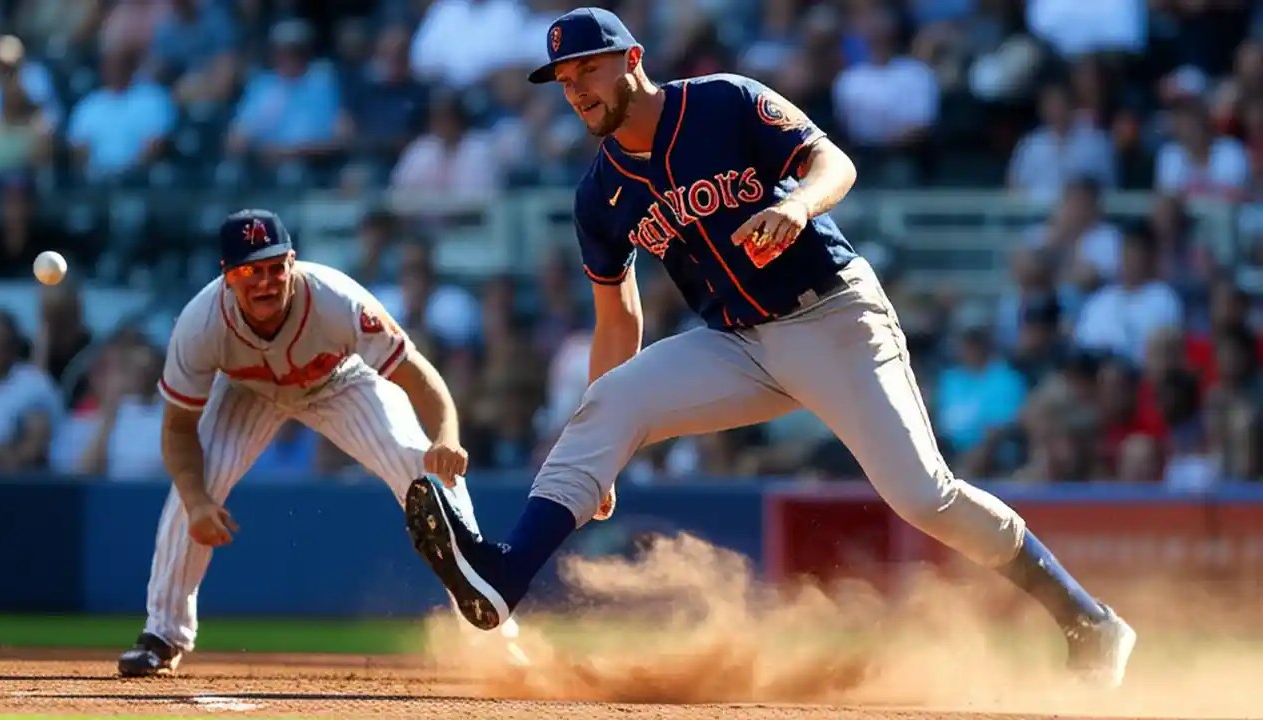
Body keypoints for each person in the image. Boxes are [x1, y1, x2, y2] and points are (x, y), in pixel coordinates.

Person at [403, 7, 1136, 687]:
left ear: (633, 58)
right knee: (611, 400)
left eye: (588, 70)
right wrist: (608, 456)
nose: (576, 91)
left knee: (923, 496)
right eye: (564, 81)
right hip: (737, 344)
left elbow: (834, 164)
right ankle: (503, 579)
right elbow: (616, 317)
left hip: (834, 319)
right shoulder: (600, 194)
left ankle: (1089, 621)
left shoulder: (723, 101)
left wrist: (793, 203)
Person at [117, 209, 517, 677]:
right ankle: (162, 635)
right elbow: (178, 429)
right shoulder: (200, 325)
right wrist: (197, 499)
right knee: (193, 494)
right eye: (249, 271)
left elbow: (422, 380)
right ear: (227, 276)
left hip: (339, 380)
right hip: (248, 390)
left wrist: (446, 438)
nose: (265, 282)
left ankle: (494, 632)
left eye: (274, 267)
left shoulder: (336, 299)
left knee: (425, 473)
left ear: (292, 261)